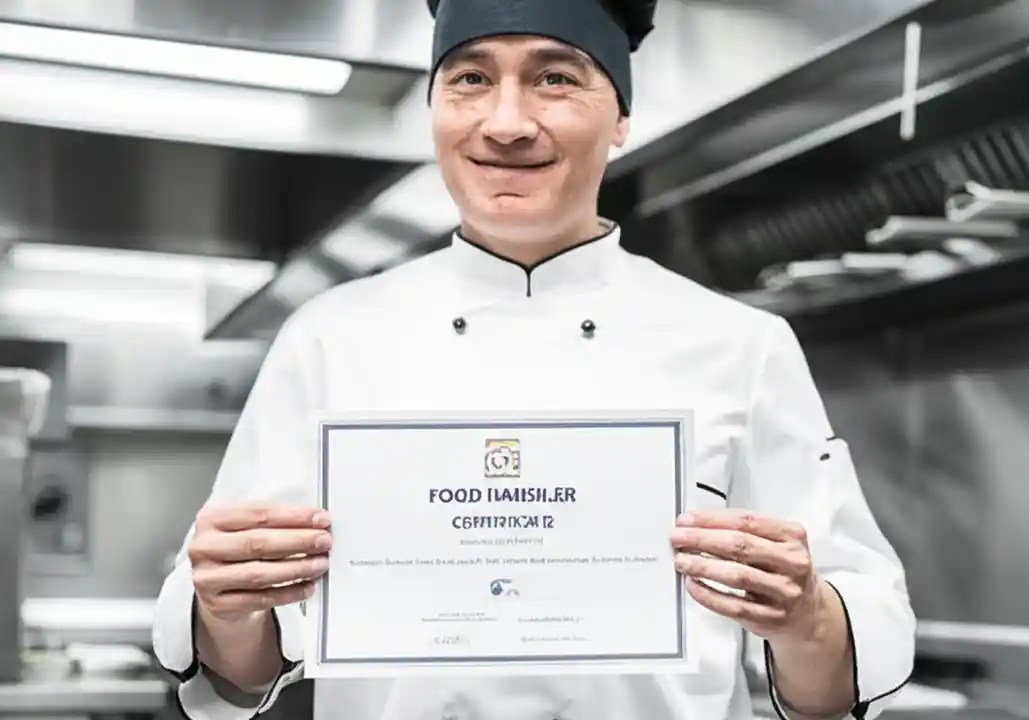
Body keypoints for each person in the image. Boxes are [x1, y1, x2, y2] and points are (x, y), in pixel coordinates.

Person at [151, 0, 916, 718]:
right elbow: (240, 669)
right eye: (470, 79)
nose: (507, 123)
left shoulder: (741, 345)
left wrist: (806, 616)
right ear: (434, 109)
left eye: (555, 79)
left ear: (621, 118)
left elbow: (839, 677)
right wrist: (226, 606)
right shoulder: (328, 340)